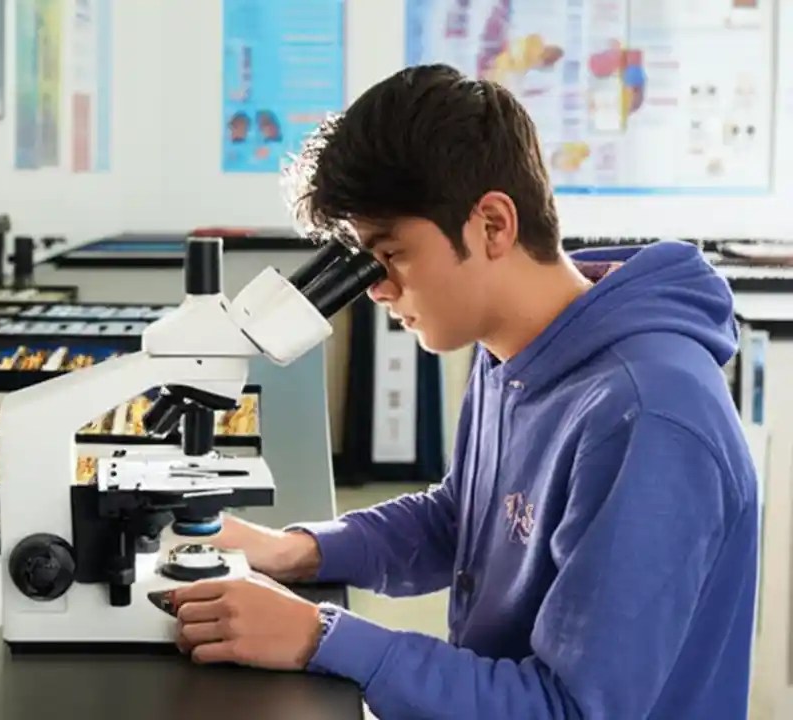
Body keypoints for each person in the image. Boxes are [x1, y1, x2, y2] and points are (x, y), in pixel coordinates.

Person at [170, 63, 759, 719]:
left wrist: (321, 637)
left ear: (492, 225)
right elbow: (465, 520)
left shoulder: (647, 416)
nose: (376, 289)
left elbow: (571, 710)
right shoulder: (513, 350)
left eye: (389, 253)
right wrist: (297, 551)